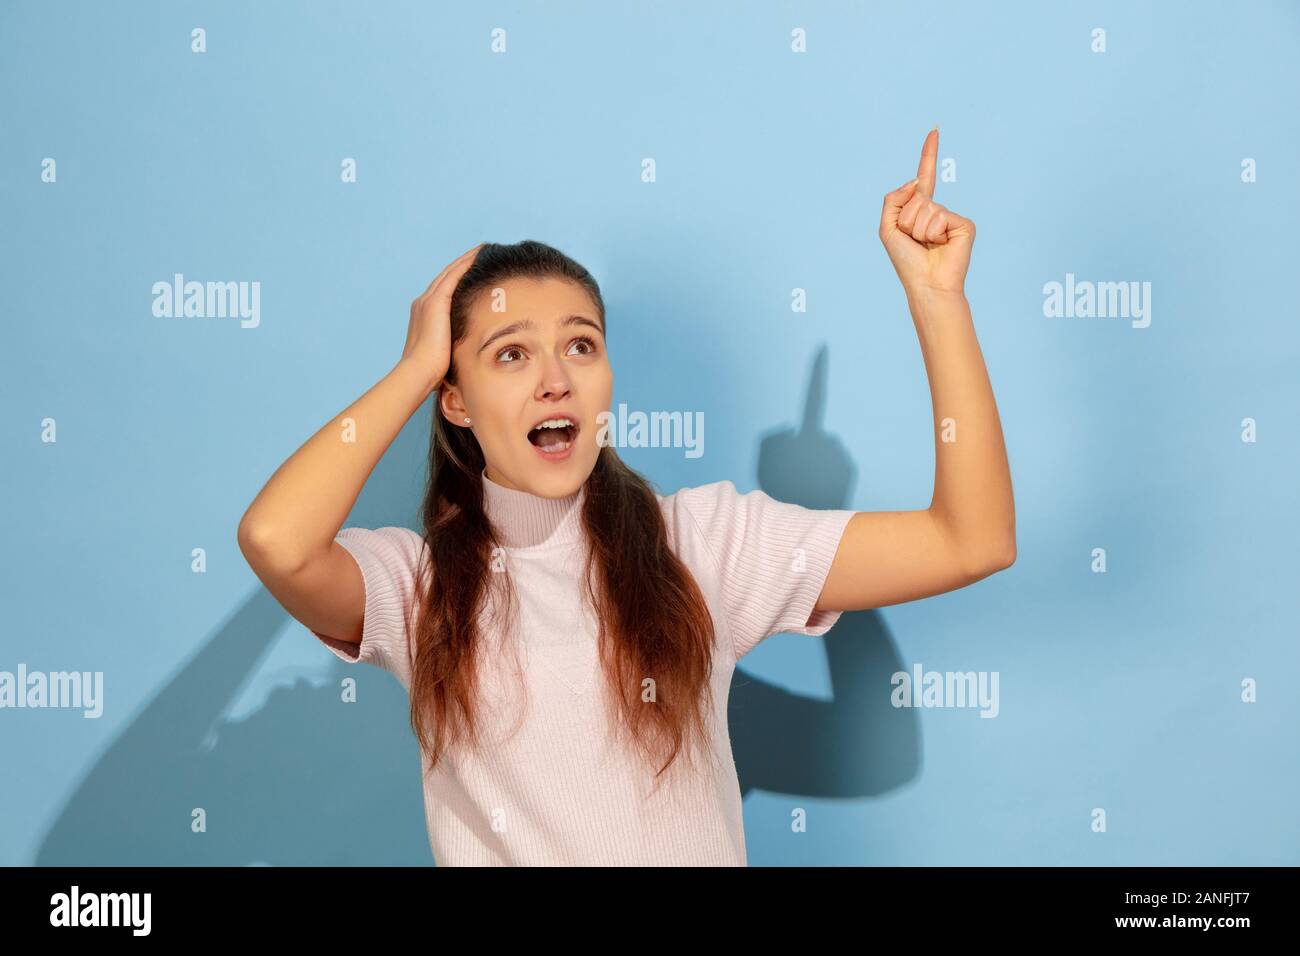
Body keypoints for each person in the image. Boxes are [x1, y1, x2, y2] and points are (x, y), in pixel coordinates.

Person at [236, 127, 1015, 865]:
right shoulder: (418, 588)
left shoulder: (704, 544)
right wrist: (412, 371)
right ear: (457, 400)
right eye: (510, 354)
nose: (555, 378)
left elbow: (971, 540)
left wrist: (939, 301)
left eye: (581, 344)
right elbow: (276, 541)